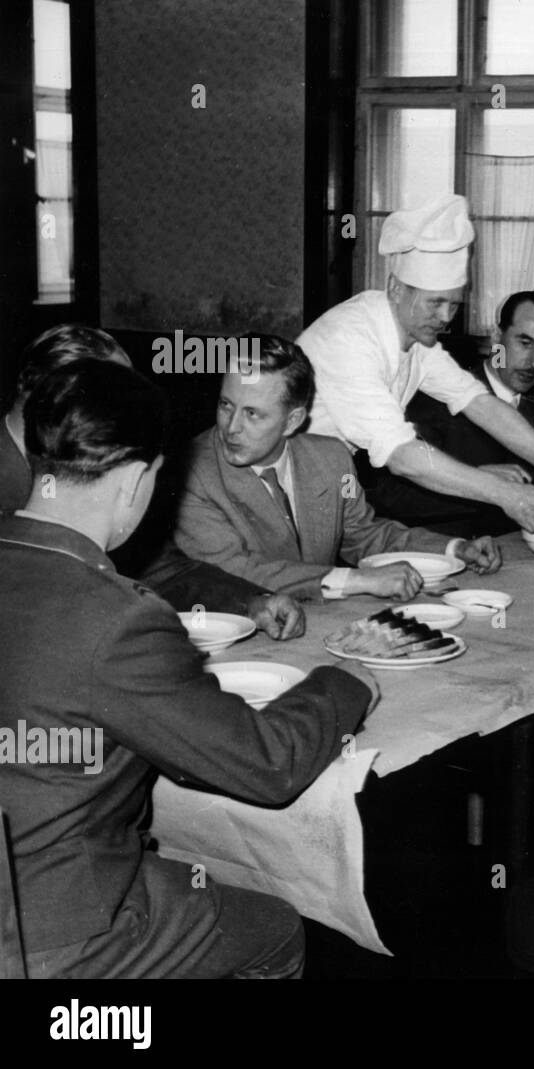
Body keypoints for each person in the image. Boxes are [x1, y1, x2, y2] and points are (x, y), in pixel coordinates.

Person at [0, 358, 377, 978]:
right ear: (134, 482)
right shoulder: (118, 620)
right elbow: (266, 765)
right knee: (276, 929)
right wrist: (347, 681)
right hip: (53, 936)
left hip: (33, 875)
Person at [295, 194, 534, 536]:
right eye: (435, 302)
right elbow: (401, 454)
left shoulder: (416, 336)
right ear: (396, 288)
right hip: (286, 487)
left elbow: (478, 401)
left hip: (327, 482)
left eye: (453, 305)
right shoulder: (351, 338)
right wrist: (504, 493)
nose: (445, 318)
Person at [0, 323, 304, 639]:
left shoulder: (106, 468)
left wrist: (251, 602)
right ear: (60, 402)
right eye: (119, 396)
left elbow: (165, 571)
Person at [174, 335, 501, 600]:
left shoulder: (332, 460)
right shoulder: (192, 471)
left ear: (293, 421)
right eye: (225, 405)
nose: (230, 428)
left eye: (252, 414)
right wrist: (357, 580)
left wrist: (455, 548)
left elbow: (365, 535)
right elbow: (236, 571)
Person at [392, 292, 534, 535]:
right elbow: (392, 497)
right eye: (524, 343)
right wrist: (479, 482)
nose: (533, 362)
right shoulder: (437, 399)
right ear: (496, 337)